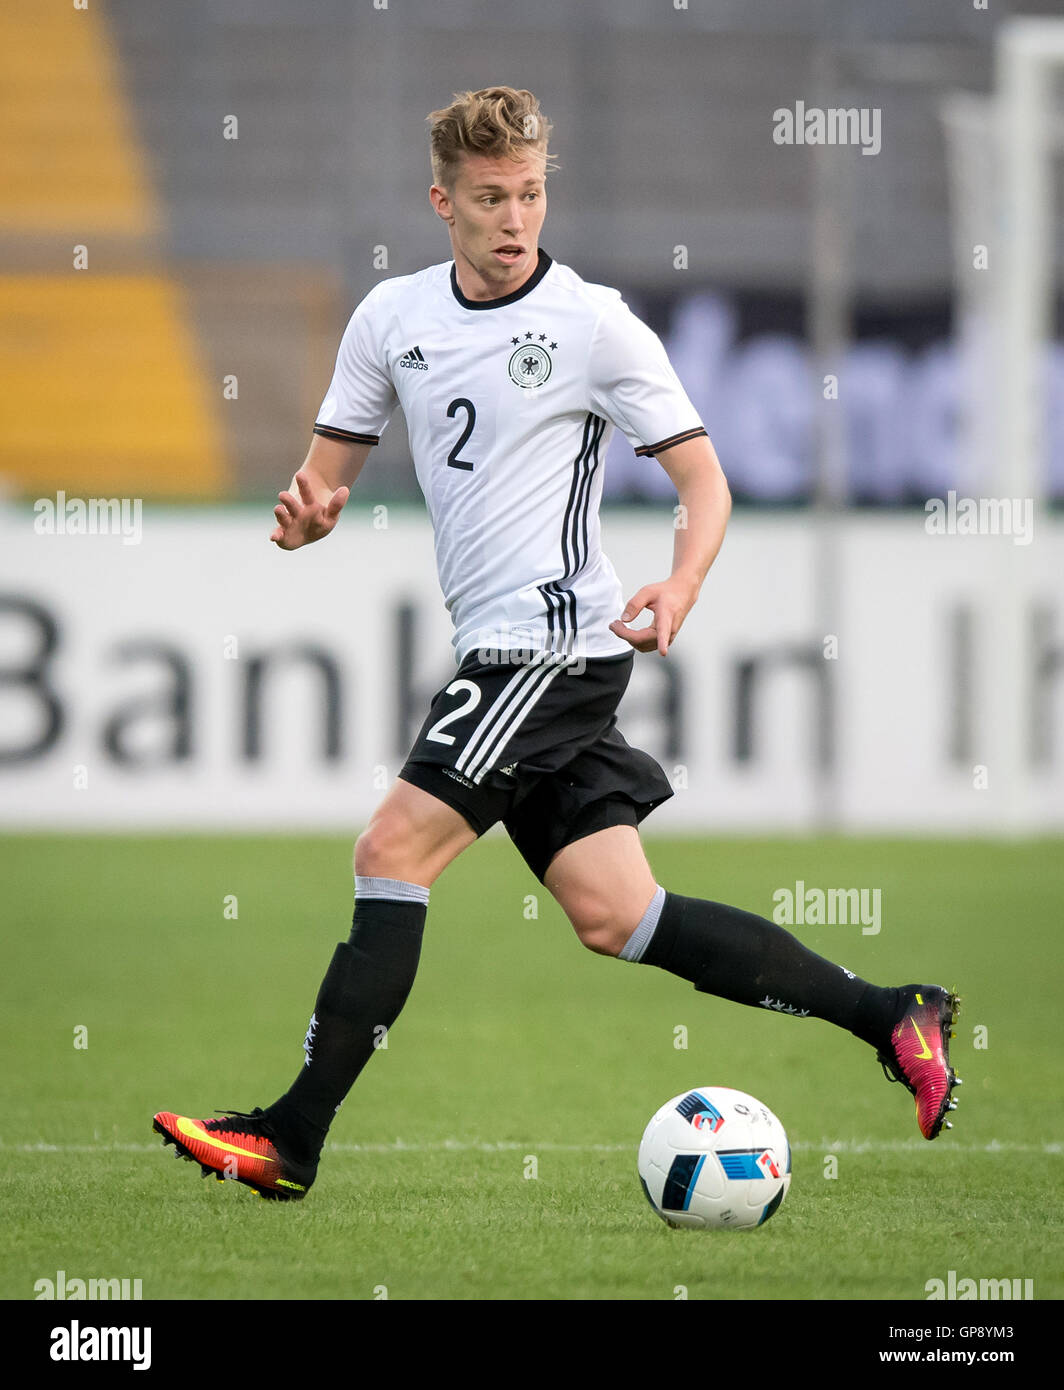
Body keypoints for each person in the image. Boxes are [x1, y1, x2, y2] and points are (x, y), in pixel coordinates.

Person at [153, 87, 959, 1201]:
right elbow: (322, 482)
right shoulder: (390, 318)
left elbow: (703, 482)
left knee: (390, 852)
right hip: (503, 645)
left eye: (529, 193)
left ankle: (289, 1138)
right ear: (442, 201)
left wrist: (679, 582)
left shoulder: (592, 323)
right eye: (488, 198)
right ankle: (891, 1014)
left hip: (549, 645)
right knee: (618, 915)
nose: (513, 217)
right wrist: (306, 517)